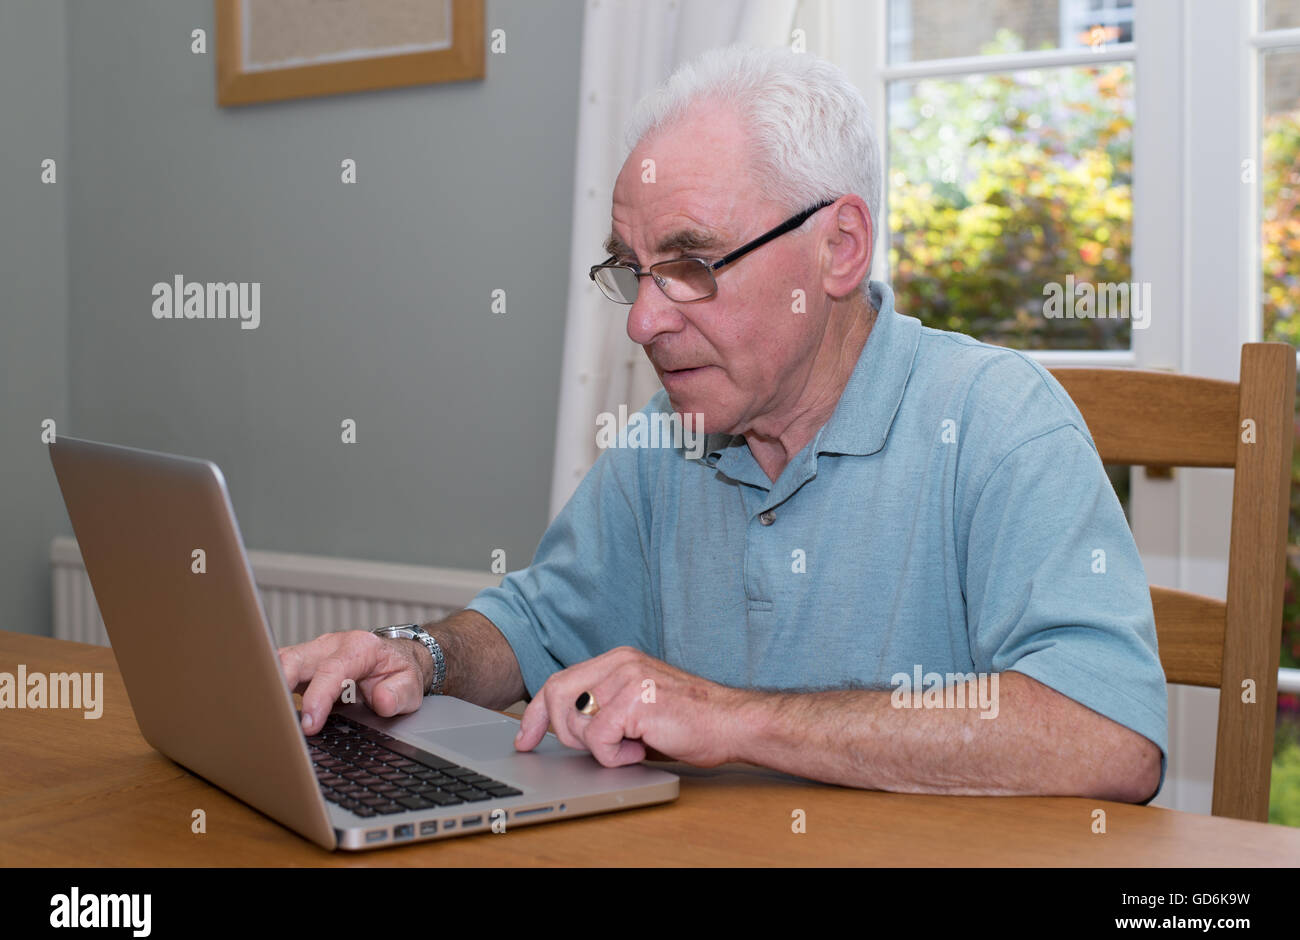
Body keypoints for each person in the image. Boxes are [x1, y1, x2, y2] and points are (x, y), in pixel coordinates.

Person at [279, 45, 1166, 803]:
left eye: (694, 263)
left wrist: (732, 716)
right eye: (633, 270)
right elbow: (537, 623)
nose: (643, 322)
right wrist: (421, 656)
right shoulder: (670, 433)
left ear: (840, 248)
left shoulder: (998, 419)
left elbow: (1108, 732)